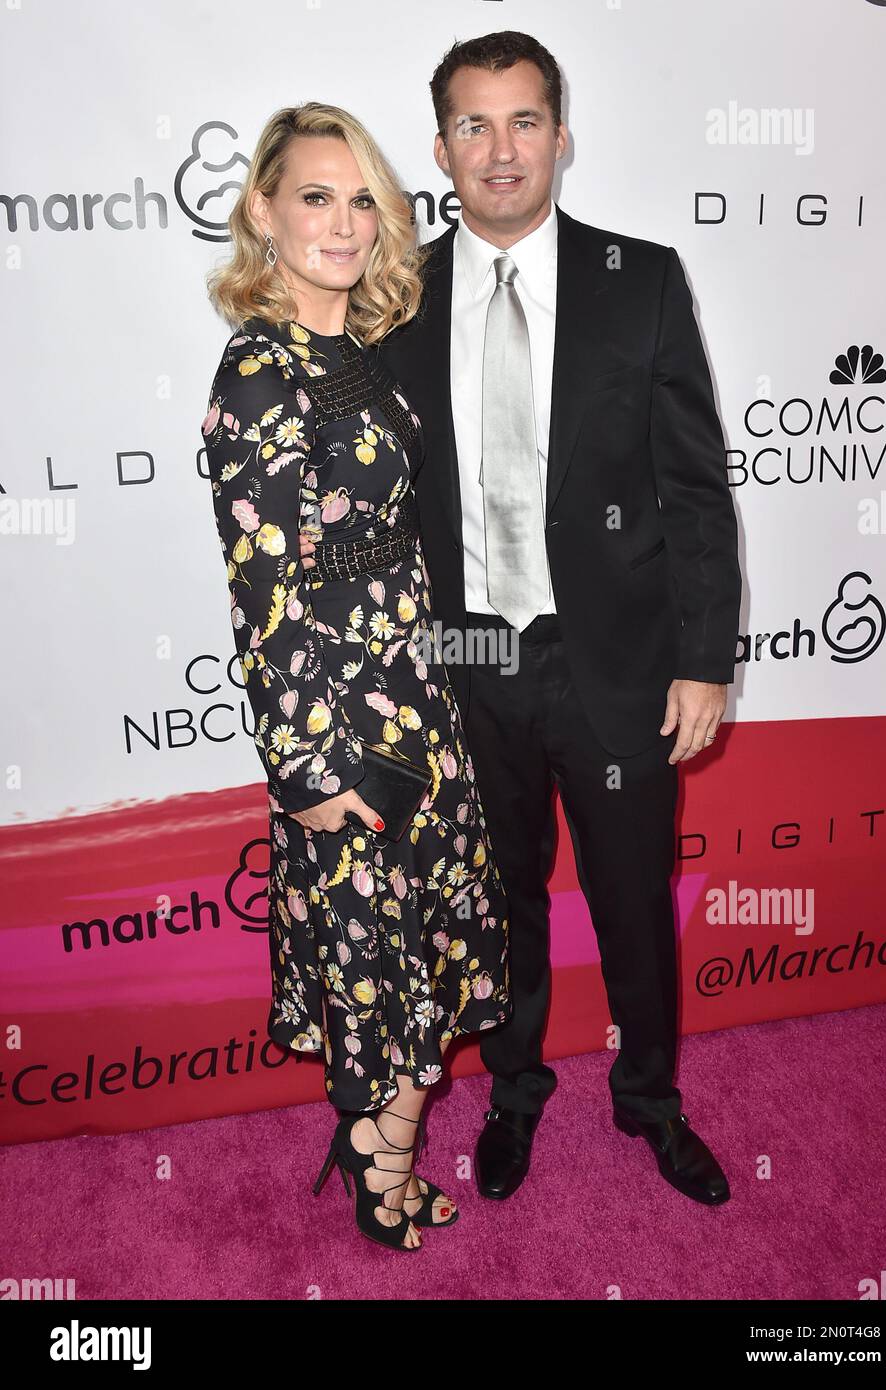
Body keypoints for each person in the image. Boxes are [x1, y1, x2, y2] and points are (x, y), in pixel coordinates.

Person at [303, 31, 742, 1207]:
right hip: (463, 663)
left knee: (632, 897)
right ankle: (514, 1090)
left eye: (524, 121)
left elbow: (694, 487)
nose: (501, 150)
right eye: (474, 126)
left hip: (614, 661)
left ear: (560, 134)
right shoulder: (397, 293)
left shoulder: (638, 279)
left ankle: (649, 1098)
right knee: (493, 903)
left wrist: (704, 660)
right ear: (439, 146)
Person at [201, 102, 512, 1251]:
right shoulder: (260, 370)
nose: (341, 221)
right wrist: (306, 766)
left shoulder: (358, 353)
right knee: (377, 959)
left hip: (417, 700)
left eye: (361, 198)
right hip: (340, 725)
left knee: (423, 946)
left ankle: (378, 1144)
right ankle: (380, 1173)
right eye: (315, 196)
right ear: (265, 213)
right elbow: (264, 592)